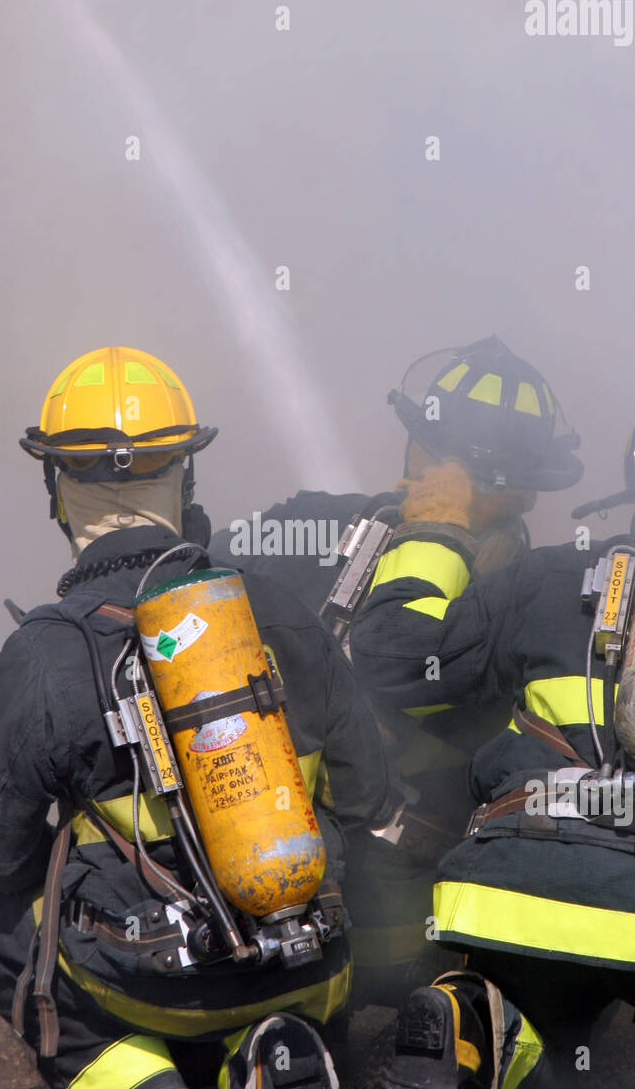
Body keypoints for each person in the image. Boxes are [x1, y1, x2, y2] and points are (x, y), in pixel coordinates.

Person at [0, 345, 388, 1089]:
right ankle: (266, 1063)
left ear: (55, 487)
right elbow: (370, 795)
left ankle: (124, 1085)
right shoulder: (281, 613)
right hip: (304, 958)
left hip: (150, 984)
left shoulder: (44, 652)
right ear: (184, 476)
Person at [351, 378, 635, 1089]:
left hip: (518, 891)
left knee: (536, 1008)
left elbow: (392, 664)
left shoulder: (545, 576)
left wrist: (439, 528)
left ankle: (472, 1021)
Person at [213, 335, 583, 1008]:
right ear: (530, 489)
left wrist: (438, 532)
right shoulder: (315, 529)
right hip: (296, 901)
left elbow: (401, 669)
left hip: (374, 922)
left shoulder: (523, 594)